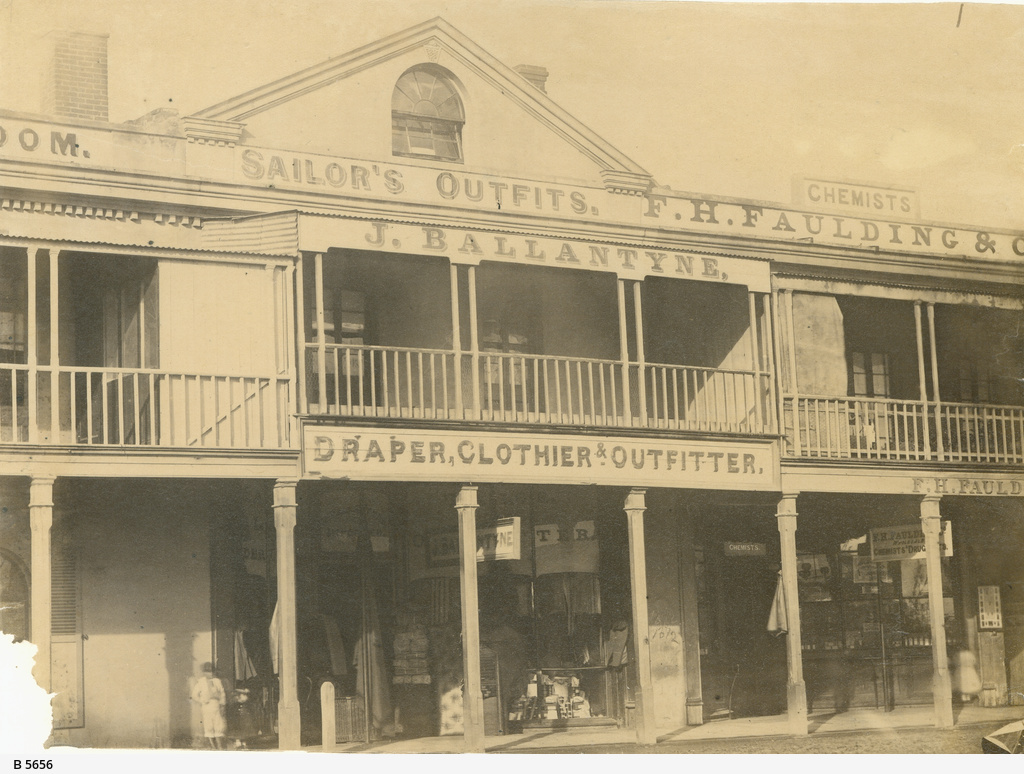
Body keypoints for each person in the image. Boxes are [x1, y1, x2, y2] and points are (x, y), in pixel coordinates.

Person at [190, 662, 227, 749]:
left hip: (216, 706)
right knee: (209, 726)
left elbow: (222, 694)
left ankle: (219, 746)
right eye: (207, 671)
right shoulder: (201, 682)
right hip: (207, 707)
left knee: (219, 726)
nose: (209, 673)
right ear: (204, 672)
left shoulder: (217, 681)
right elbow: (194, 695)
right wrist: (202, 700)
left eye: (210, 671)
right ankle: (213, 747)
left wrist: (222, 704)